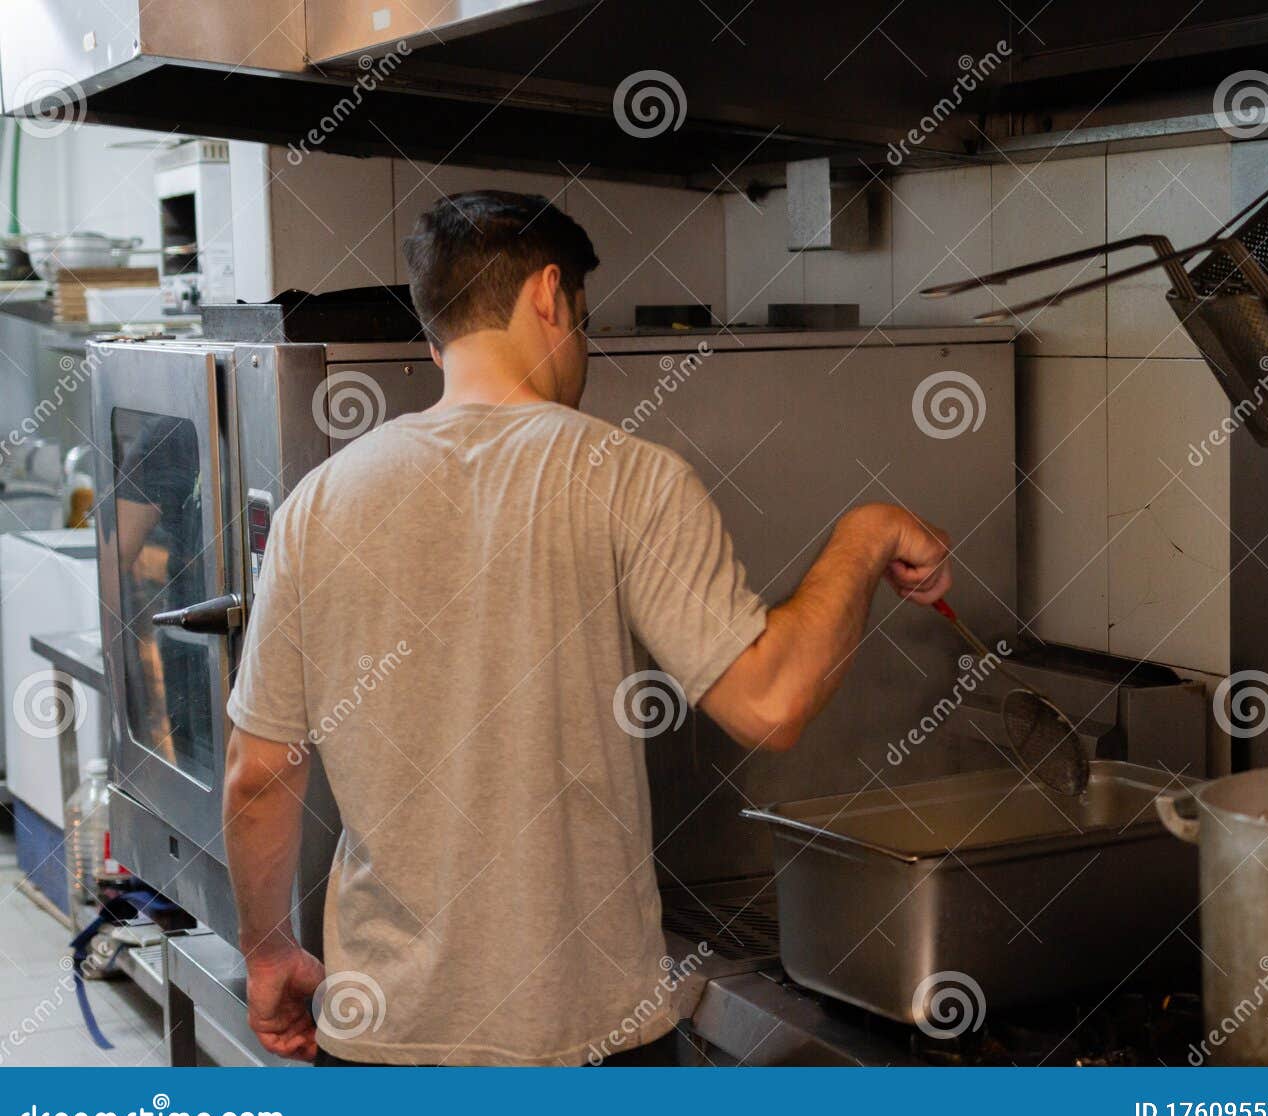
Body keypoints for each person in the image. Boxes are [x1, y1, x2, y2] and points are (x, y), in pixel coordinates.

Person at [222, 190, 952, 1066]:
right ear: (547, 293)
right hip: (587, 1041)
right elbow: (773, 702)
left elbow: (258, 775)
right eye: (584, 315)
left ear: (437, 336)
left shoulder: (320, 505)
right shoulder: (628, 477)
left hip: (383, 1042)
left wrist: (267, 949)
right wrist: (866, 532)